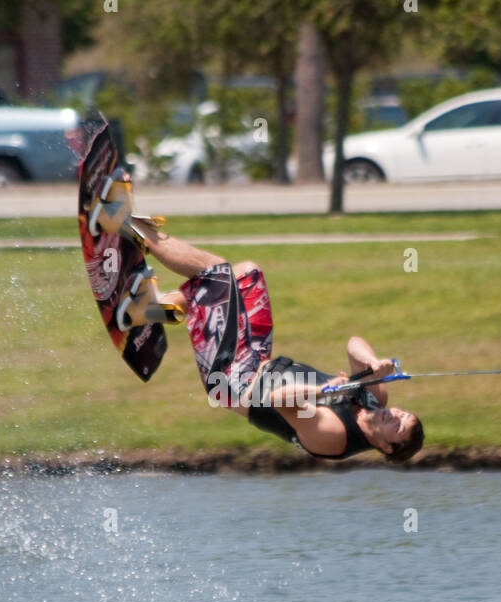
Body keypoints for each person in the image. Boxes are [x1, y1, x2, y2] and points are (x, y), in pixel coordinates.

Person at [93, 185, 423, 463]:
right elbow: (354, 343)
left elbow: (279, 401)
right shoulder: (374, 400)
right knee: (246, 273)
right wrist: (370, 363)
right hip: (257, 361)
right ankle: (151, 309)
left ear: (386, 447)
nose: (393, 415)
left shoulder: (335, 437)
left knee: (216, 274)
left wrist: (322, 390)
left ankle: (123, 223)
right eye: (402, 413)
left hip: (232, 383)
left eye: (397, 426)